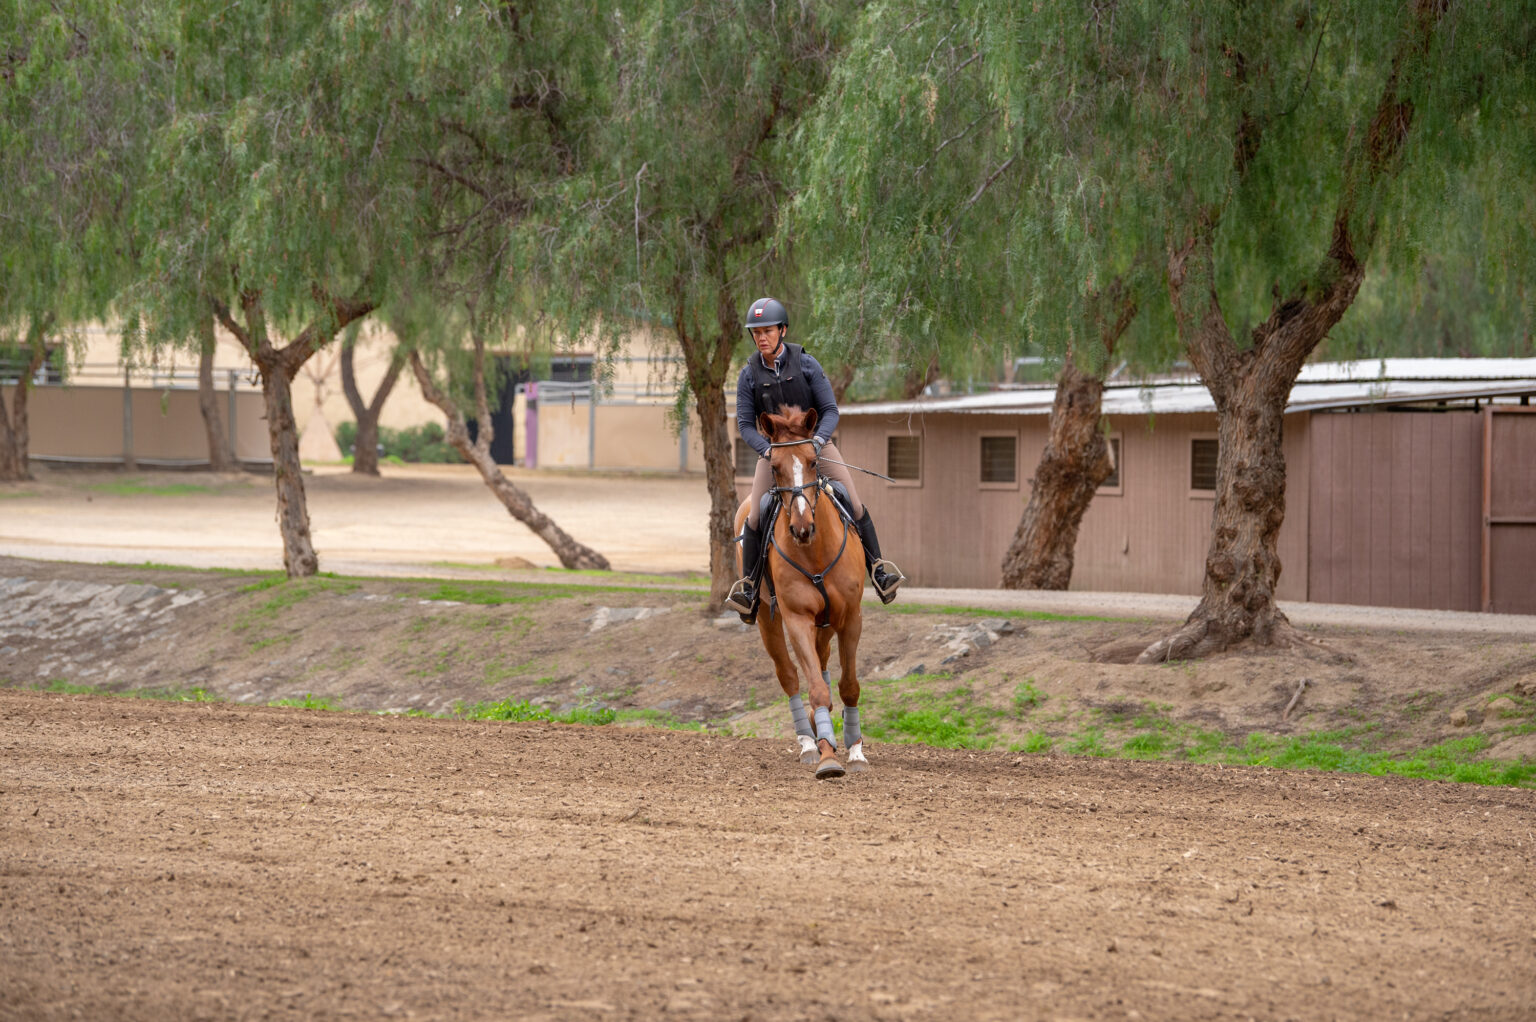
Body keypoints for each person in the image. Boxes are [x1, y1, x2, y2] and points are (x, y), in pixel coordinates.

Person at [724, 296, 904, 620]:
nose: (761, 337)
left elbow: (830, 410)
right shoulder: (748, 375)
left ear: (782, 330)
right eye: (756, 332)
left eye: (767, 331)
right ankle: (750, 587)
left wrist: (818, 442)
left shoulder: (807, 364)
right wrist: (767, 451)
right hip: (775, 455)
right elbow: (745, 425)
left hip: (815, 447)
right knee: (754, 515)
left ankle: (878, 569)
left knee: (853, 500)